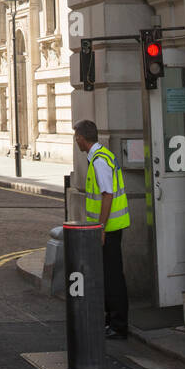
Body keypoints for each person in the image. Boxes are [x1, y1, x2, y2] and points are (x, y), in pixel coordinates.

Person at [73, 119, 129, 339]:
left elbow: (107, 194)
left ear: (81, 138)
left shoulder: (99, 161)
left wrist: (101, 228)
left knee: (113, 277)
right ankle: (111, 321)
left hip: (110, 228)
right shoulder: (100, 156)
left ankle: (119, 325)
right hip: (108, 226)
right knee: (107, 274)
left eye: (76, 136)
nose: (75, 140)